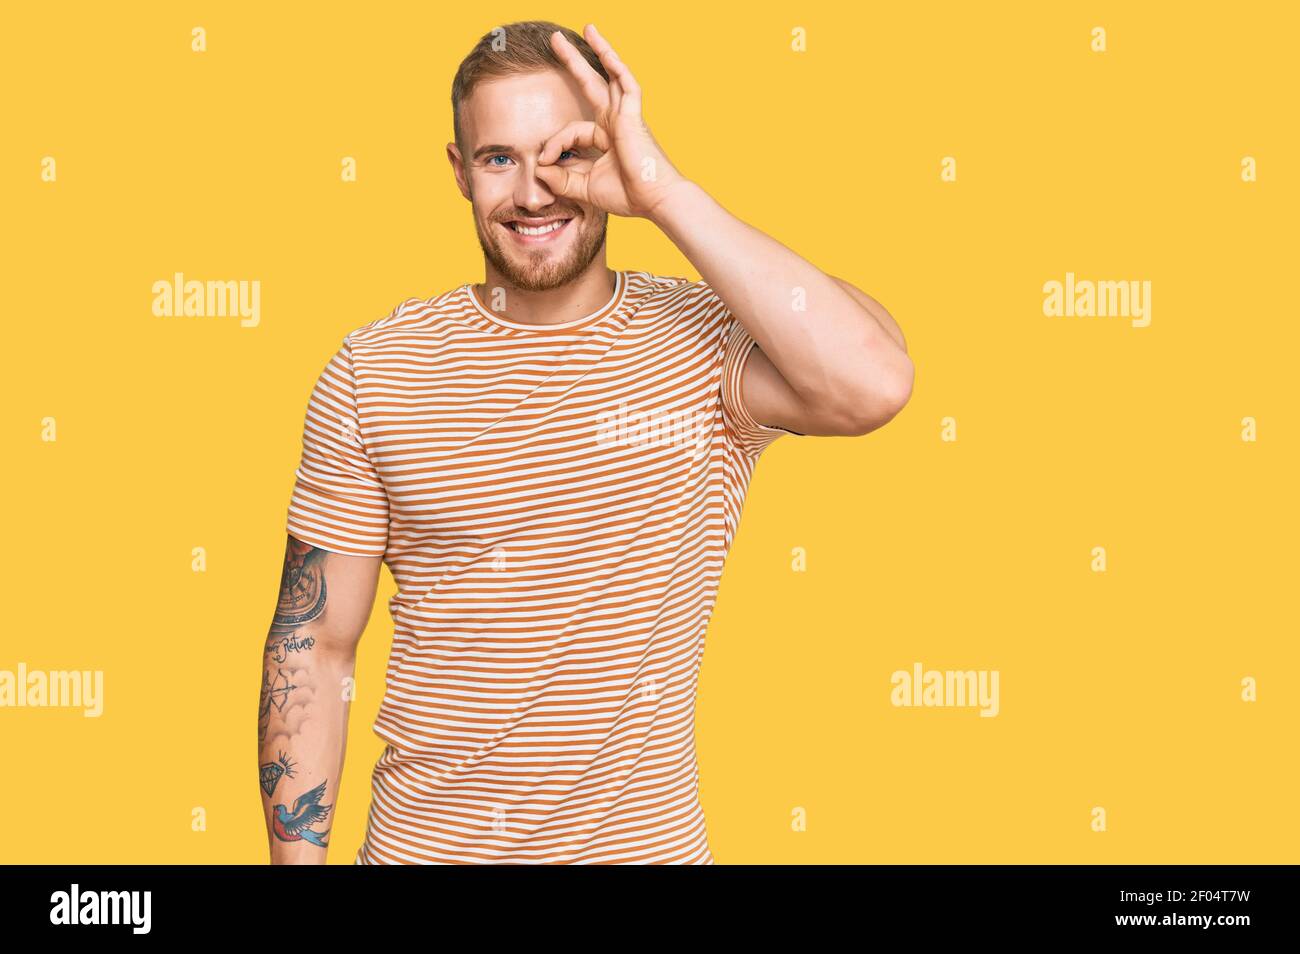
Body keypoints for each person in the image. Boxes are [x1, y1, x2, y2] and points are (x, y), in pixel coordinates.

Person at [258, 19, 912, 864]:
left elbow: (875, 382)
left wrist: (664, 193)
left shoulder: (706, 343)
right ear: (460, 172)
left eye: (564, 153)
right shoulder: (376, 370)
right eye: (499, 159)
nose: (535, 193)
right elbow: (312, 644)